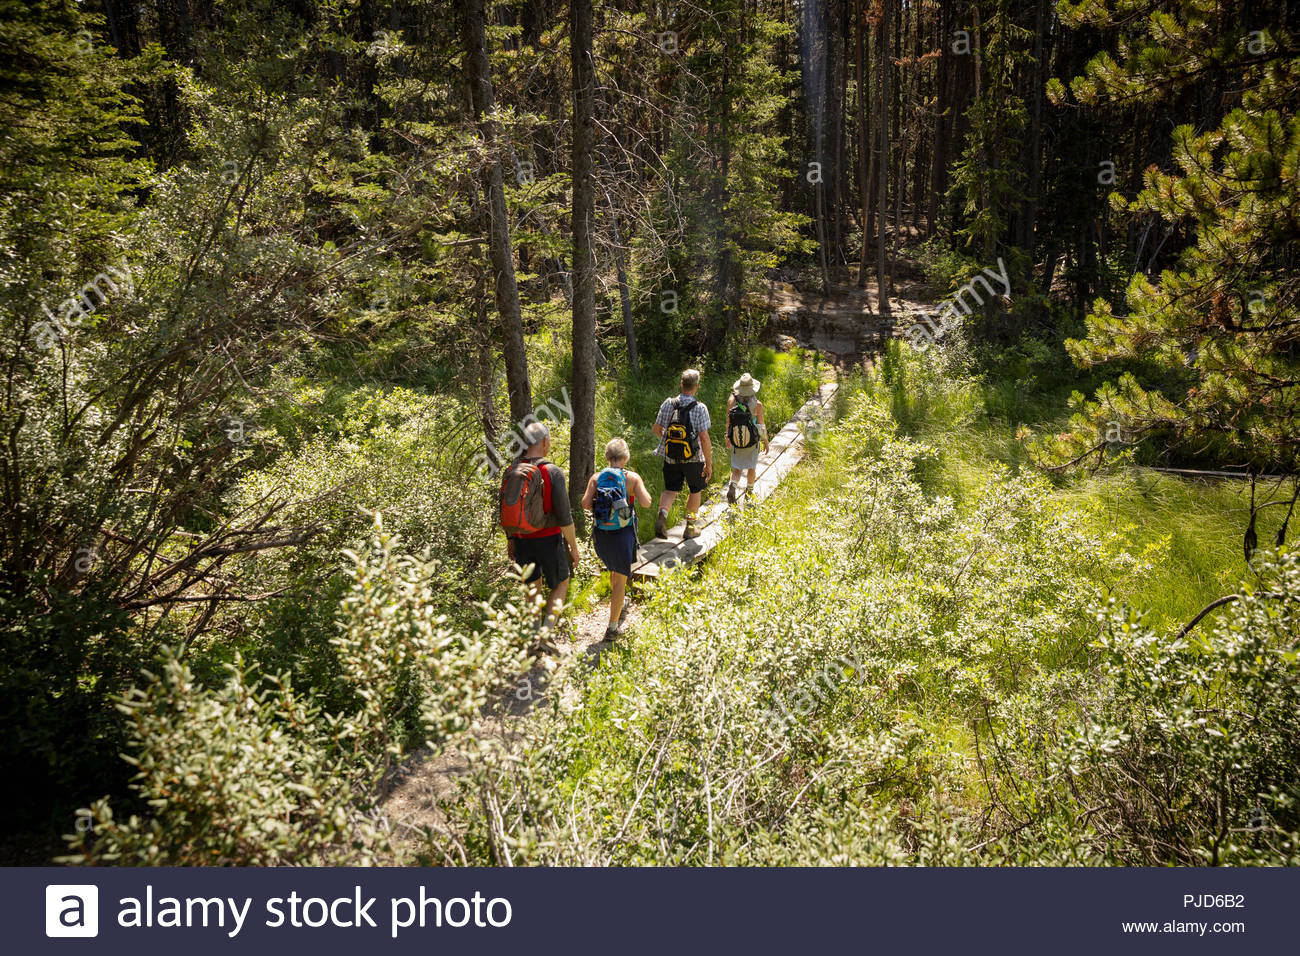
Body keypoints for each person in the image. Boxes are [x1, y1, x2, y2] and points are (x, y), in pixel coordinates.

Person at [500, 422, 580, 647]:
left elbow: (506, 507)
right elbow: (565, 517)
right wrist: (573, 548)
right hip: (549, 538)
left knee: (532, 585)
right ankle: (546, 635)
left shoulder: (513, 469)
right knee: (561, 583)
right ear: (544, 442)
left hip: (522, 538)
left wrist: (511, 540)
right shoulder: (551, 471)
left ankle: (534, 635)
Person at [581, 438, 652, 642]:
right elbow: (646, 503)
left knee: (614, 571)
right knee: (620, 579)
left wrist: (602, 504)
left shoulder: (596, 478)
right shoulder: (632, 478)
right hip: (623, 533)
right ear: (626, 457)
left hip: (602, 533)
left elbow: (585, 504)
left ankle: (619, 604)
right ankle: (612, 627)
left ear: (606, 457)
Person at [652, 368, 713, 539]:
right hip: (694, 458)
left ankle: (662, 517)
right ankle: (690, 527)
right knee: (695, 490)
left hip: (671, 457)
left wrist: (669, 441)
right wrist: (708, 463)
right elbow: (704, 438)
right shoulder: (700, 408)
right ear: (696, 387)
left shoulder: (668, 403)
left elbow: (657, 429)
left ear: (681, 384)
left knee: (670, 489)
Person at [724, 373, 769, 505]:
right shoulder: (757, 404)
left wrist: (728, 437)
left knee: (737, 469)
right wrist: (765, 442)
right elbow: (761, 426)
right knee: (751, 468)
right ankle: (749, 492)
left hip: (736, 440)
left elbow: (728, 422)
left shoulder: (731, 401)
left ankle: (732, 486)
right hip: (752, 441)